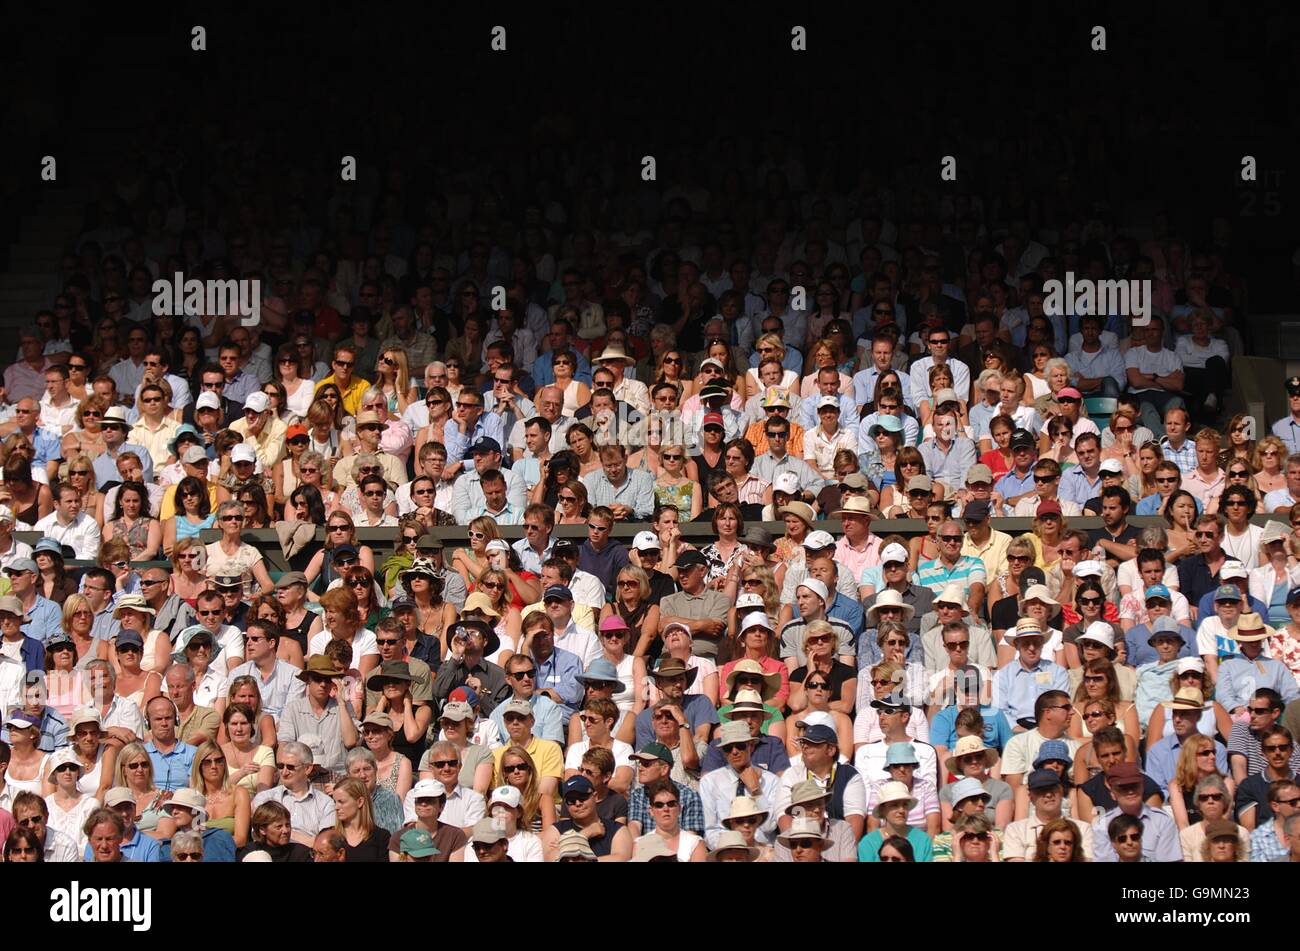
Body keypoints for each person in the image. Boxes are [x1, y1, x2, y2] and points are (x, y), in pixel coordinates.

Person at [1090, 762, 1182, 862]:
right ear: (1112, 793)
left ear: (1142, 787)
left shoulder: (1163, 821)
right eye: (1123, 788)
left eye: (1134, 786)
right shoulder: (1102, 825)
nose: (1130, 791)